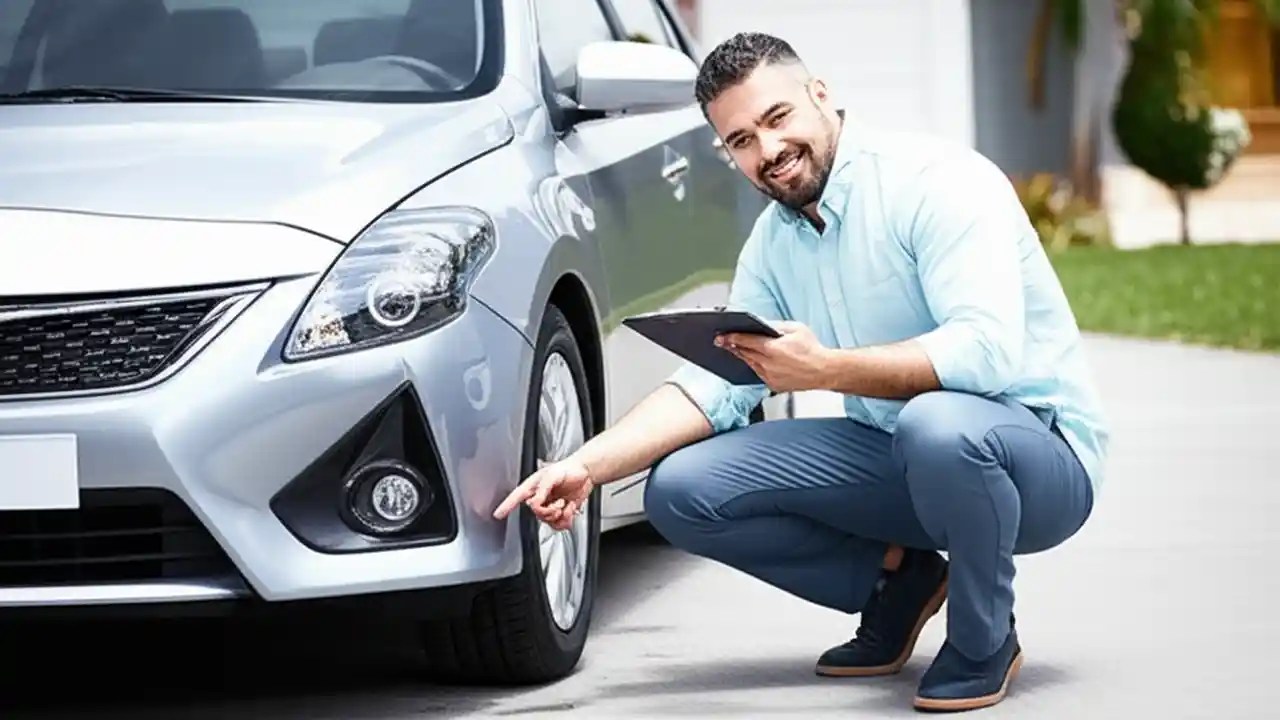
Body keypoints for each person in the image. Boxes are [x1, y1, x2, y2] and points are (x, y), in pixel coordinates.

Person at [494, 31, 1108, 713]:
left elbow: (984, 355)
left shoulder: (936, 182)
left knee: (938, 423)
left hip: (1037, 460)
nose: (768, 151)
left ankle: (984, 637)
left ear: (820, 96)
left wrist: (824, 369)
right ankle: (899, 585)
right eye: (740, 140)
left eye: (777, 119)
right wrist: (587, 466)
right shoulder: (775, 241)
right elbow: (715, 384)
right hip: (906, 458)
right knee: (682, 489)